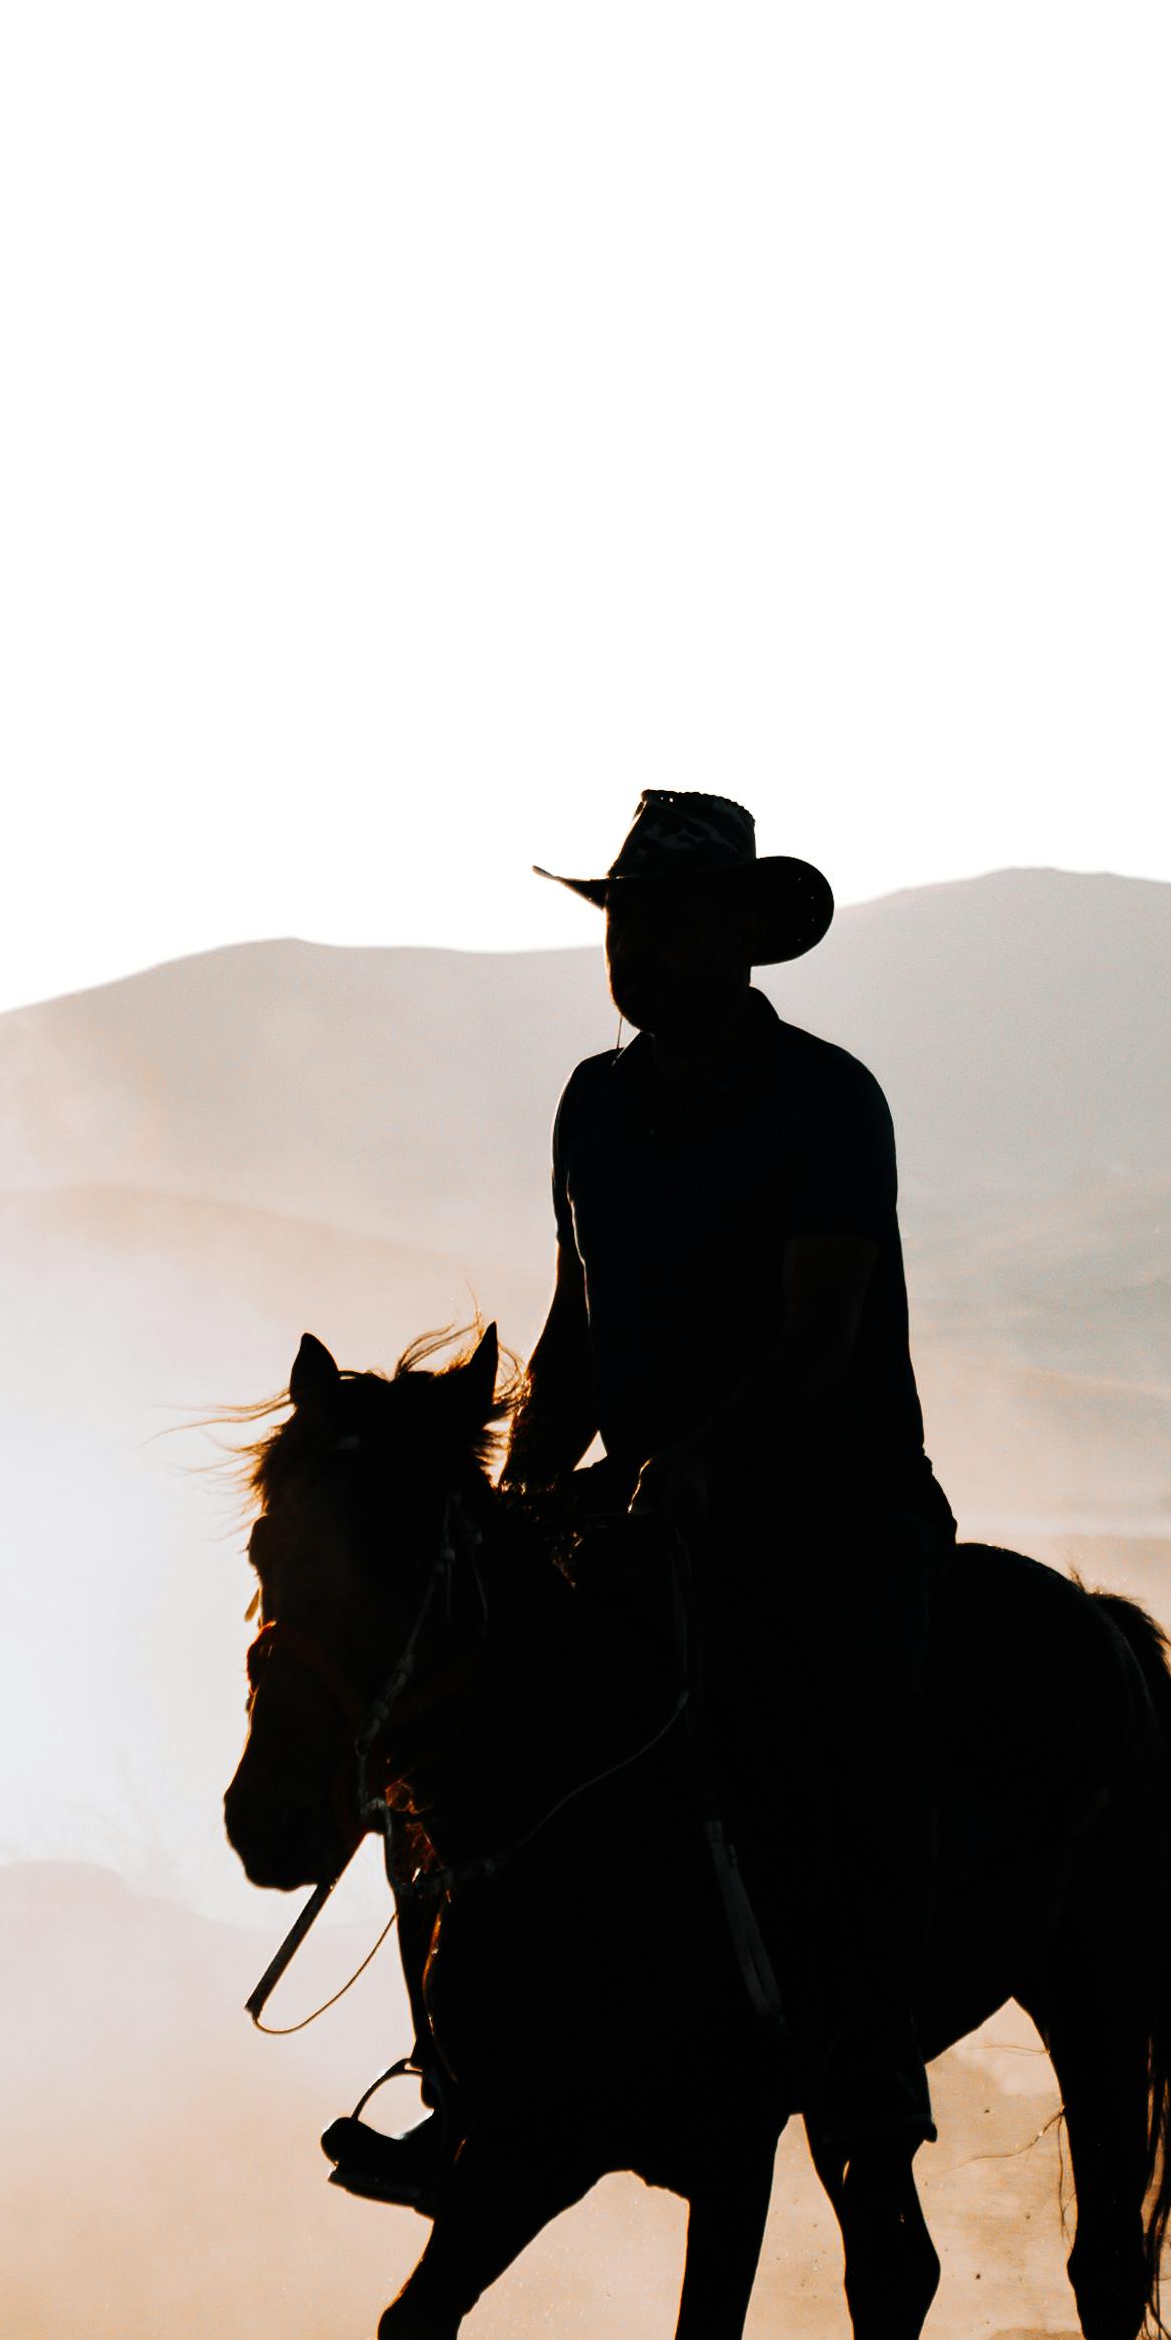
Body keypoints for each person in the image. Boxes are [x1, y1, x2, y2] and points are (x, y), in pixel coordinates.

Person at [324, 790, 951, 2203]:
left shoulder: (826, 1099)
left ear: (742, 933)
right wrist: (524, 1490)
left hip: (837, 1508)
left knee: (854, 1723)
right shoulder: (593, 1107)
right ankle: (466, 2080)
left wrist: (699, 1464)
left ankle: (871, 2047)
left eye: (669, 918)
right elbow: (579, 1327)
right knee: (453, 1726)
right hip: (647, 1506)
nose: (636, 945)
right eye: (623, 920)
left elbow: (821, 1337)